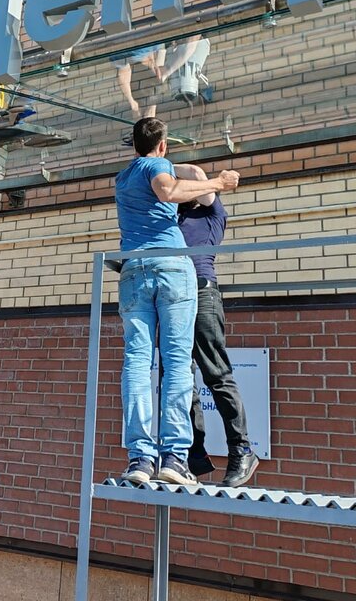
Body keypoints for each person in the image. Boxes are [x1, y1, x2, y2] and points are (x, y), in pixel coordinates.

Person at [115, 117, 239, 486]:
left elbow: (168, 172)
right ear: (163, 146)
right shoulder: (158, 168)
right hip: (171, 268)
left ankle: (139, 459)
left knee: (137, 362)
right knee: (177, 362)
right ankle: (174, 457)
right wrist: (219, 182)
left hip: (134, 269)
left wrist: (170, 160)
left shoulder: (124, 177)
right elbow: (168, 189)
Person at [174, 164, 259, 487]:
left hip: (202, 293)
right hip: (174, 298)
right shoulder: (173, 219)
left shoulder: (211, 215)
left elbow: (196, 174)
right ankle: (193, 454)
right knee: (180, 379)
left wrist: (162, 163)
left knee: (216, 375)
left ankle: (242, 450)